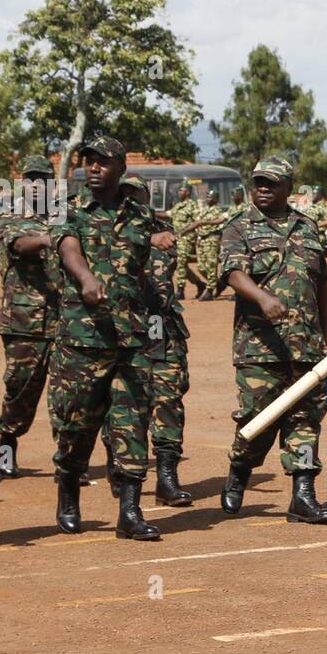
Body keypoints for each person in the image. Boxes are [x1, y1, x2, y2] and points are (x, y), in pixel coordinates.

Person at [48, 136, 164, 541]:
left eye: (102, 162)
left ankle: (129, 513)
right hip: (83, 339)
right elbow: (68, 249)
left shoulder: (140, 216)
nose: (93, 168)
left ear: (121, 168)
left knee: (132, 423)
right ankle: (68, 486)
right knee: (77, 426)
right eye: (88, 162)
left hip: (130, 340)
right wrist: (85, 278)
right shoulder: (71, 211)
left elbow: (143, 269)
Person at [216, 156, 327, 524]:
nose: (262, 189)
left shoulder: (308, 228)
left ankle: (302, 494)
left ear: (288, 188)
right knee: (257, 420)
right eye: (258, 183)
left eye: (271, 183)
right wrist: (262, 297)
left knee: (305, 419)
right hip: (259, 347)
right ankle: (239, 470)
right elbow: (233, 273)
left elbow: (320, 285)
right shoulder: (239, 227)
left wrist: (322, 339)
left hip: (306, 346)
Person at [120, 174, 192, 506]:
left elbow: (161, 279)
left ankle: (167, 477)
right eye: (126, 196)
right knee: (121, 404)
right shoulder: (106, 235)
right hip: (123, 331)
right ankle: (120, 470)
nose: (133, 202)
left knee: (169, 401)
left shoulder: (163, 233)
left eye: (138, 196)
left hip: (162, 327)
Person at [0, 155, 62, 478]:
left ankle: (68, 460)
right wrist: (52, 238)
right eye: (31, 179)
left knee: (68, 394)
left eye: (43, 179)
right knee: (20, 390)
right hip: (24, 321)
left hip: (65, 320)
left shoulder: (67, 214)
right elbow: (18, 245)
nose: (37, 185)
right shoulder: (9, 212)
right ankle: (7, 444)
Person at [167, 182, 205, 300]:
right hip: (177, 239)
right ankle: (200, 284)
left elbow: (197, 221)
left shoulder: (192, 205)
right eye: (179, 191)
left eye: (181, 190)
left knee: (180, 260)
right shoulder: (178, 205)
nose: (179, 193)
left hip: (187, 239)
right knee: (181, 263)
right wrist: (150, 212)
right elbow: (167, 214)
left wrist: (183, 231)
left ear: (187, 192)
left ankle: (180, 290)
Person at [189, 190, 228, 302]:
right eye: (207, 196)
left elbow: (219, 224)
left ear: (216, 199)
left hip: (212, 239)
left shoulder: (218, 211)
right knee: (200, 267)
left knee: (211, 265)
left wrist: (204, 224)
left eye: (210, 197)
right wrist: (199, 237)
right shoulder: (204, 210)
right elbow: (197, 224)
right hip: (202, 240)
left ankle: (210, 290)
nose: (208, 199)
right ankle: (218, 284)